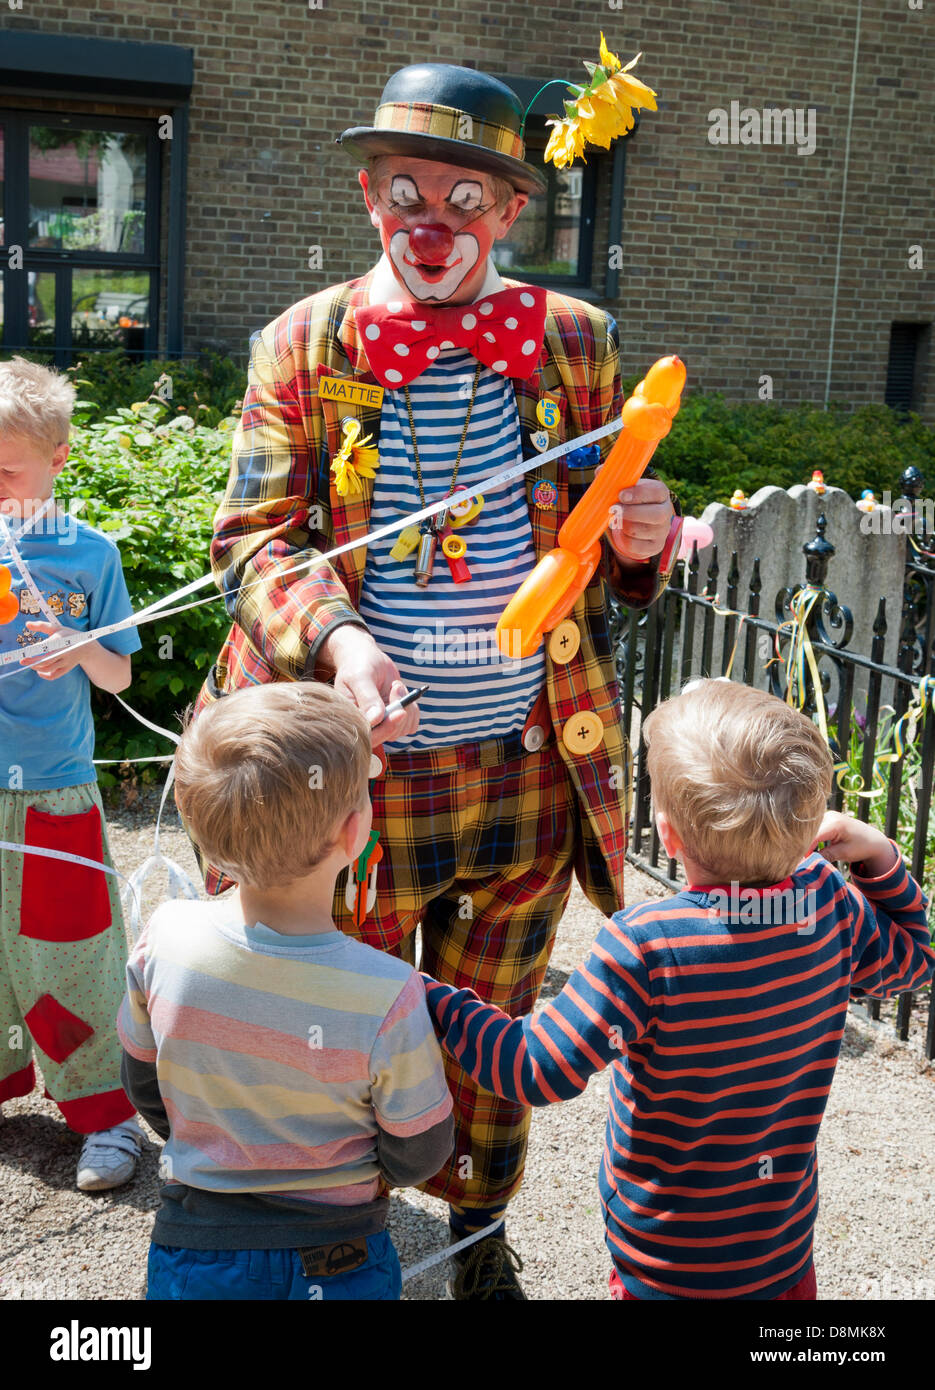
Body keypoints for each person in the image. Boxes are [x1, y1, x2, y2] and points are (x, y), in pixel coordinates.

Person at [188, 61, 681, 1298]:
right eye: (406, 190)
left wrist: (638, 540)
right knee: (327, 1014)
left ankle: (473, 1233)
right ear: (367, 196)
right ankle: (329, 1229)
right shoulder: (303, 340)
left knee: (493, 1024)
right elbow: (253, 539)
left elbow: (602, 515)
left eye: (464, 200)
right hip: (349, 773)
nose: (432, 221)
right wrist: (344, 644)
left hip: (524, 759)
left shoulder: (576, 341)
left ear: (509, 213)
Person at [420, 680, 935, 1299]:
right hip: (781, 1252)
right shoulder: (829, 906)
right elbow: (916, 960)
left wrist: (434, 999)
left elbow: (534, 1068)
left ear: (667, 836)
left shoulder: (647, 947)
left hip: (664, 1260)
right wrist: (879, 855)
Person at [117, 681, 454, 1301]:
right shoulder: (387, 993)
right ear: (354, 834)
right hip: (339, 1257)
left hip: (197, 1250)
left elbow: (146, 1083)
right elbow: (420, 1149)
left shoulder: (163, 939)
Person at [0, 355, 144, 1190]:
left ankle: (105, 1114)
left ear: (58, 460)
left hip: (54, 789)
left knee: (75, 951)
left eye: (7, 471)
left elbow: (120, 675)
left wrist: (79, 648)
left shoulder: (91, 556)